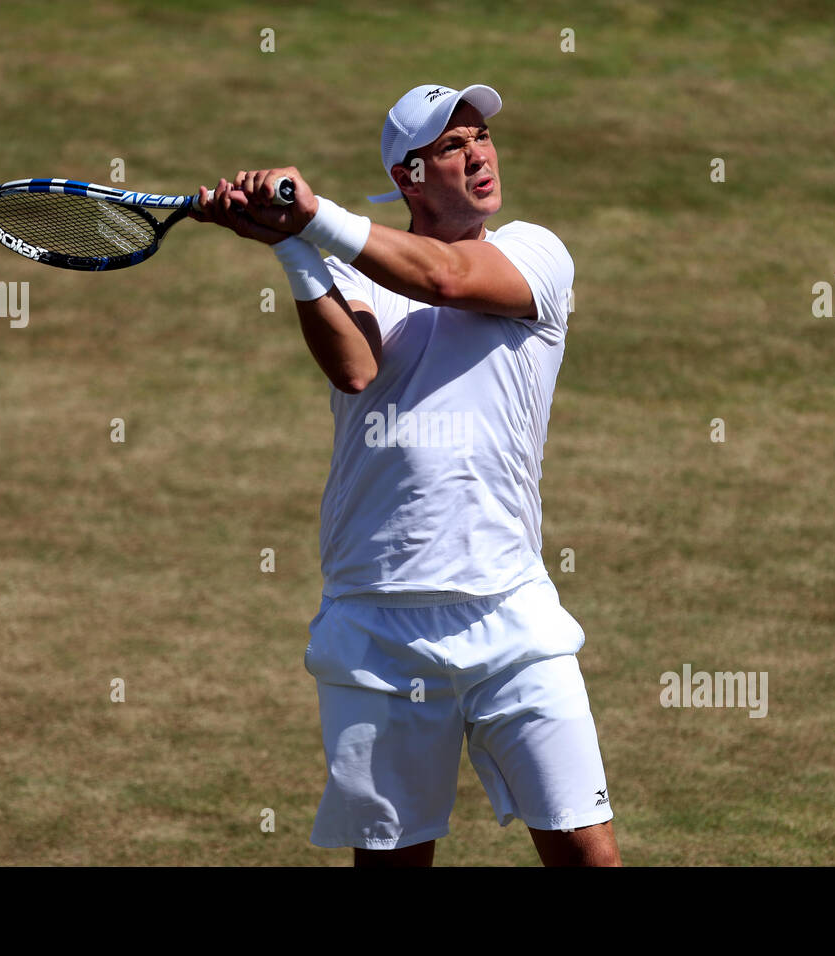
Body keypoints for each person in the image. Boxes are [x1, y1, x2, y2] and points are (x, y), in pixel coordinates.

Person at [190, 83, 620, 867]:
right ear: (409, 177)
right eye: (452, 147)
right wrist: (289, 243)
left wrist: (314, 218)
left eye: (481, 136)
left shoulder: (536, 253)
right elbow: (355, 368)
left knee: (588, 855)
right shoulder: (349, 278)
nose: (479, 154)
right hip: (376, 624)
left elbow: (448, 279)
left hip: (512, 612)